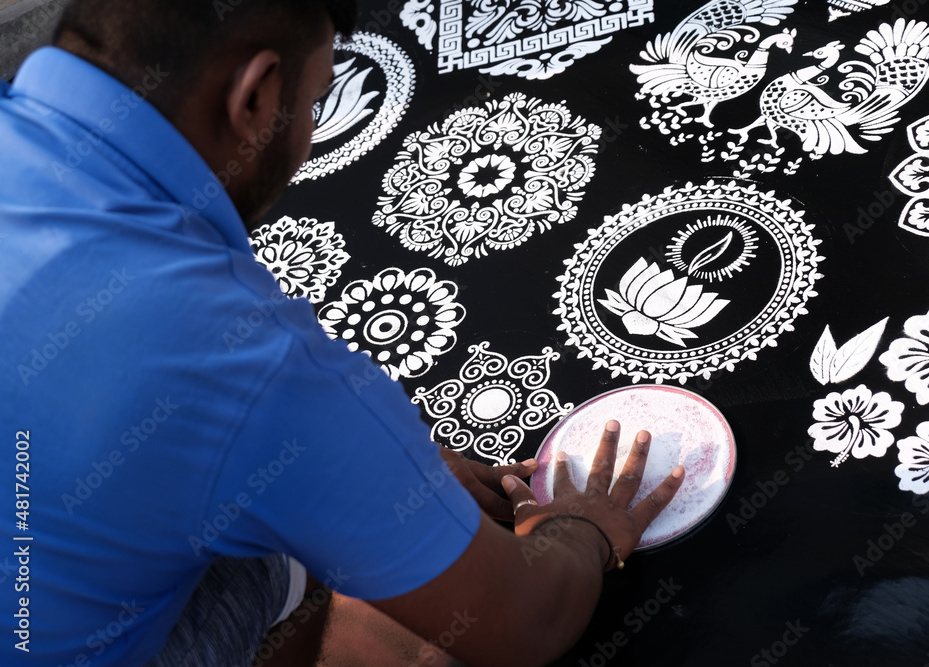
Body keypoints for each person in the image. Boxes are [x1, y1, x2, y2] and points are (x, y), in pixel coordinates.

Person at [0, 1, 686, 665]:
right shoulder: (245, 354)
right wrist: (583, 527)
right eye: (319, 96)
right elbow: (526, 620)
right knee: (275, 540)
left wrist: (362, 470)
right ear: (257, 97)